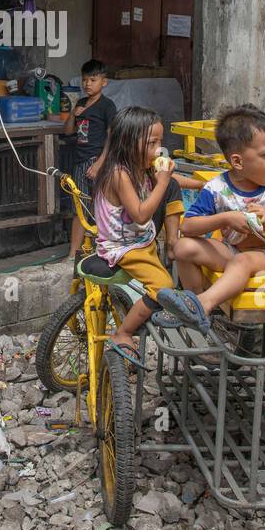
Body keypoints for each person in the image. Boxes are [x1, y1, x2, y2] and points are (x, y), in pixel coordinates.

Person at [158, 105, 265, 329]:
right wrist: (225, 218)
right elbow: (187, 227)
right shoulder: (217, 188)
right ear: (237, 162)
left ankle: (202, 305)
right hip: (233, 251)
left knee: (242, 261)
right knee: (183, 248)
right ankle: (195, 303)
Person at [86, 106, 183, 357]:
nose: (159, 149)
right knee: (164, 286)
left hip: (140, 239)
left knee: (171, 188)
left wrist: (208, 183)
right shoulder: (119, 173)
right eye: (152, 142)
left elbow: (174, 182)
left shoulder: (141, 165)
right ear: (129, 143)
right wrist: (162, 182)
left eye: (161, 142)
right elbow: (140, 213)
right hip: (123, 246)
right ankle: (123, 332)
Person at [62, 58, 117, 259]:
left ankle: (106, 251)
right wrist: (72, 115)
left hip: (98, 161)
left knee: (103, 207)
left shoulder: (107, 106)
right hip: (79, 161)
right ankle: (72, 254)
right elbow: (68, 132)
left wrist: (99, 163)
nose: (87, 84)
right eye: (85, 80)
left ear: (104, 82)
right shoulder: (81, 103)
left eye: (93, 80)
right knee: (80, 208)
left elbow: (112, 138)